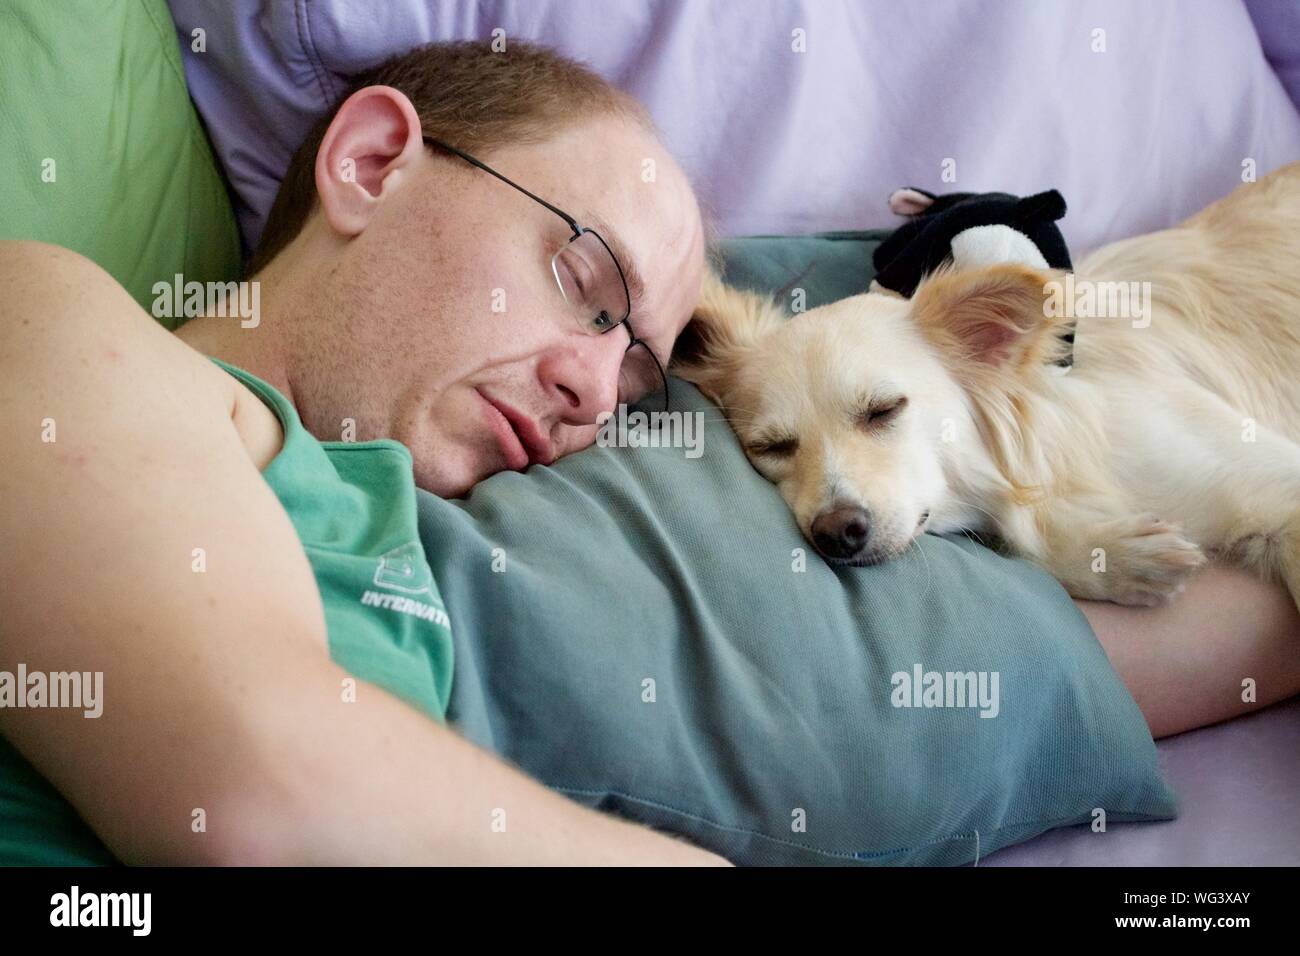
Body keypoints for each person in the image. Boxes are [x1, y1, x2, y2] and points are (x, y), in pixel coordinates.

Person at [0, 41, 1295, 866]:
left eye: (637, 370)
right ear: (375, 159)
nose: (592, 390)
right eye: (581, 277)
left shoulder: (535, 526)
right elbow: (261, 798)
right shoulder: (49, 323)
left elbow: (1203, 625)